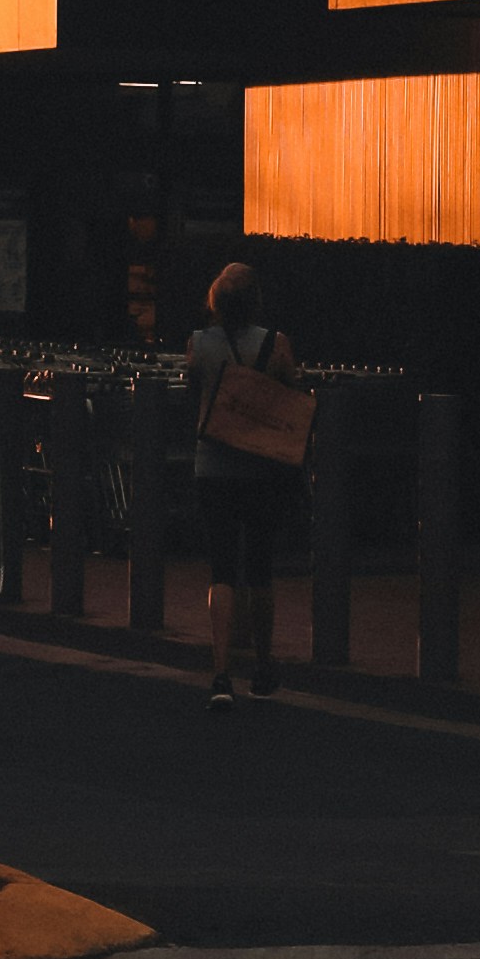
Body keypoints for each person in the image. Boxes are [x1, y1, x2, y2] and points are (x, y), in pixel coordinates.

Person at [180, 251, 305, 698]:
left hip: (211, 463)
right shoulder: (277, 343)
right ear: (256, 300)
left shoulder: (200, 343)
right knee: (260, 567)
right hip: (260, 467)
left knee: (221, 568)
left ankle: (219, 669)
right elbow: (290, 390)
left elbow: (195, 388)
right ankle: (265, 663)